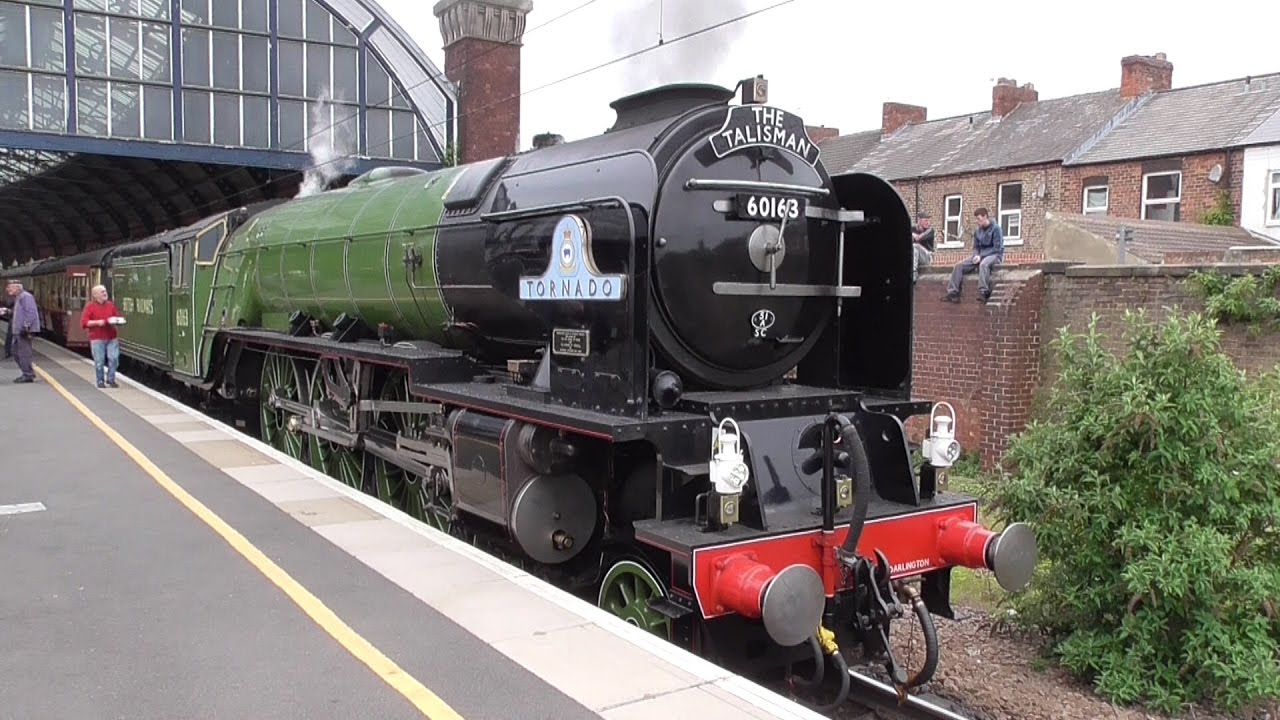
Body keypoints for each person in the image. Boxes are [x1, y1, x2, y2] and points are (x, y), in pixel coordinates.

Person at [943, 208, 1003, 303]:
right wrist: (976, 255)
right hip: (980, 255)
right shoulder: (977, 231)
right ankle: (953, 292)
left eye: (979, 219)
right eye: (976, 219)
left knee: (983, 264)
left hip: (994, 255)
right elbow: (975, 247)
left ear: (985, 217)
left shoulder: (996, 229)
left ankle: (984, 292)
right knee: (959, 266)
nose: (977, 222)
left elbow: (997, 248)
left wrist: (981, 256)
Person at [81, 284, 124, 389]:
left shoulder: (110, 305)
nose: (105, 293)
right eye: (102, 292)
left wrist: (117, 321)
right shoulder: (89, 307)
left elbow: (116, 317)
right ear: (95, 295)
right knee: (99, 361)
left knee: (114, 359)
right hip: (97, 338)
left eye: (105, 291)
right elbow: (84, 323)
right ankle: (100, 381)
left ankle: (111, 379)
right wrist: (97, 322)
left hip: (111, 337)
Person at [6, 280, 39, 383]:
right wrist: (8, 311)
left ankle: (28, 374)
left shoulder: (26, 297)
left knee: (23, 352)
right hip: (18, 331)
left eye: (10, 287)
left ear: (17, 288)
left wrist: (26, 326)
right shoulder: (19, 298)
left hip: (23, 331)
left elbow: (31, 312)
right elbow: (20, 312)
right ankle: (27, 372)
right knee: (15, 352)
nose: (8, 289)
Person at [912, 213, 935, 283]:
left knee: (915, 246)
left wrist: (911, 234)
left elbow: (918, 238)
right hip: (917, 257)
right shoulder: (913, 228)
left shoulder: (930, 230)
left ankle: (914, 272)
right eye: (925, 220)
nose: (928, 223)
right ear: (919, 220)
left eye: (928, 221)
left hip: (928, 257)